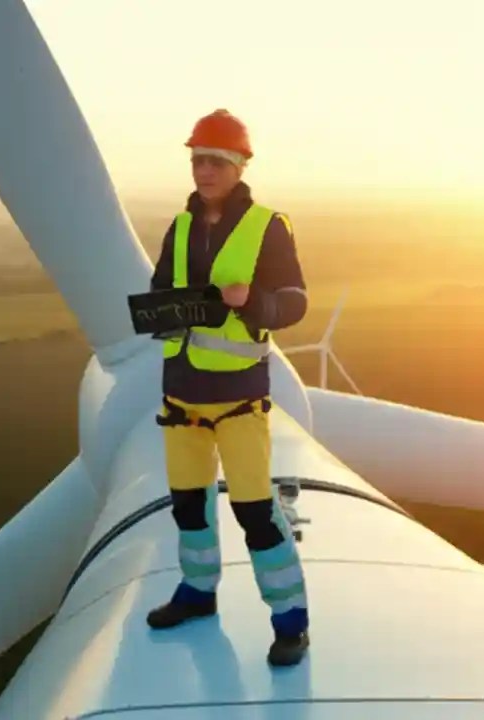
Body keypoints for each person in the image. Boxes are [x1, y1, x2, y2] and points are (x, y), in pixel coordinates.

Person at [145, 109, 311, 667]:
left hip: (239, 399)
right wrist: (161, 315)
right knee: (189, 509)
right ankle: (197, 593)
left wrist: (254, 303)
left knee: (256, 513)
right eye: (197, 160)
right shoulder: (181, 226)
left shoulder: (268, 226)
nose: (204, 170)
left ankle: (291, 622)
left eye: (215, 161)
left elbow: (295, 302)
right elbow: (159, 290)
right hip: (181, 396)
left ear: (239, 166)